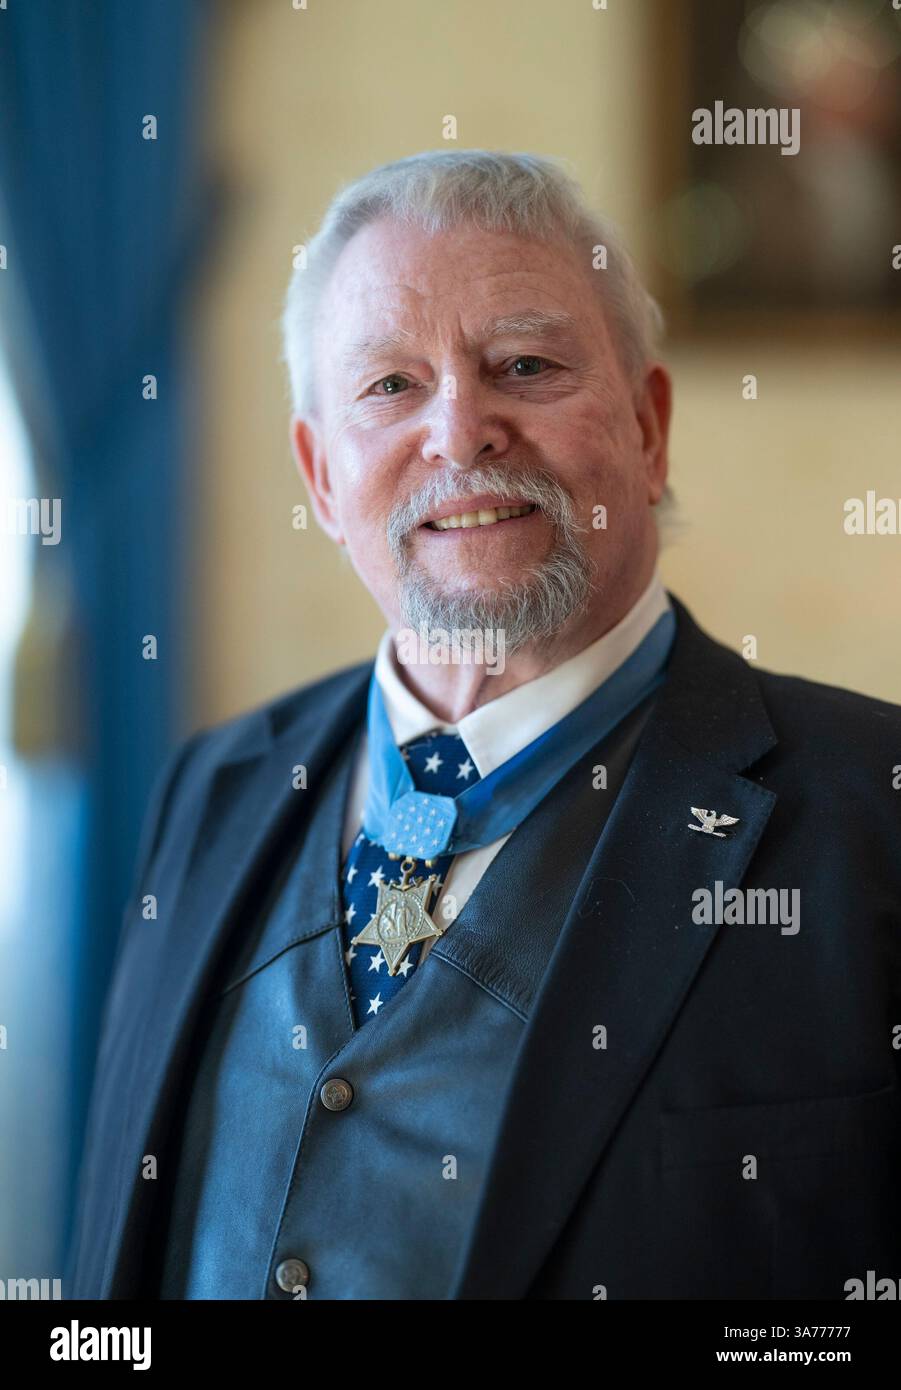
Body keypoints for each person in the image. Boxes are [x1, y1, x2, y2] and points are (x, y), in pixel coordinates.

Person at [67, 150, 901, 1300]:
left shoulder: (874, 812)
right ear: (319, 474)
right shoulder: (207, 786)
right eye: (389, 387)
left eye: (525, 363)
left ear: (649, 430)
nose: (461, 434)